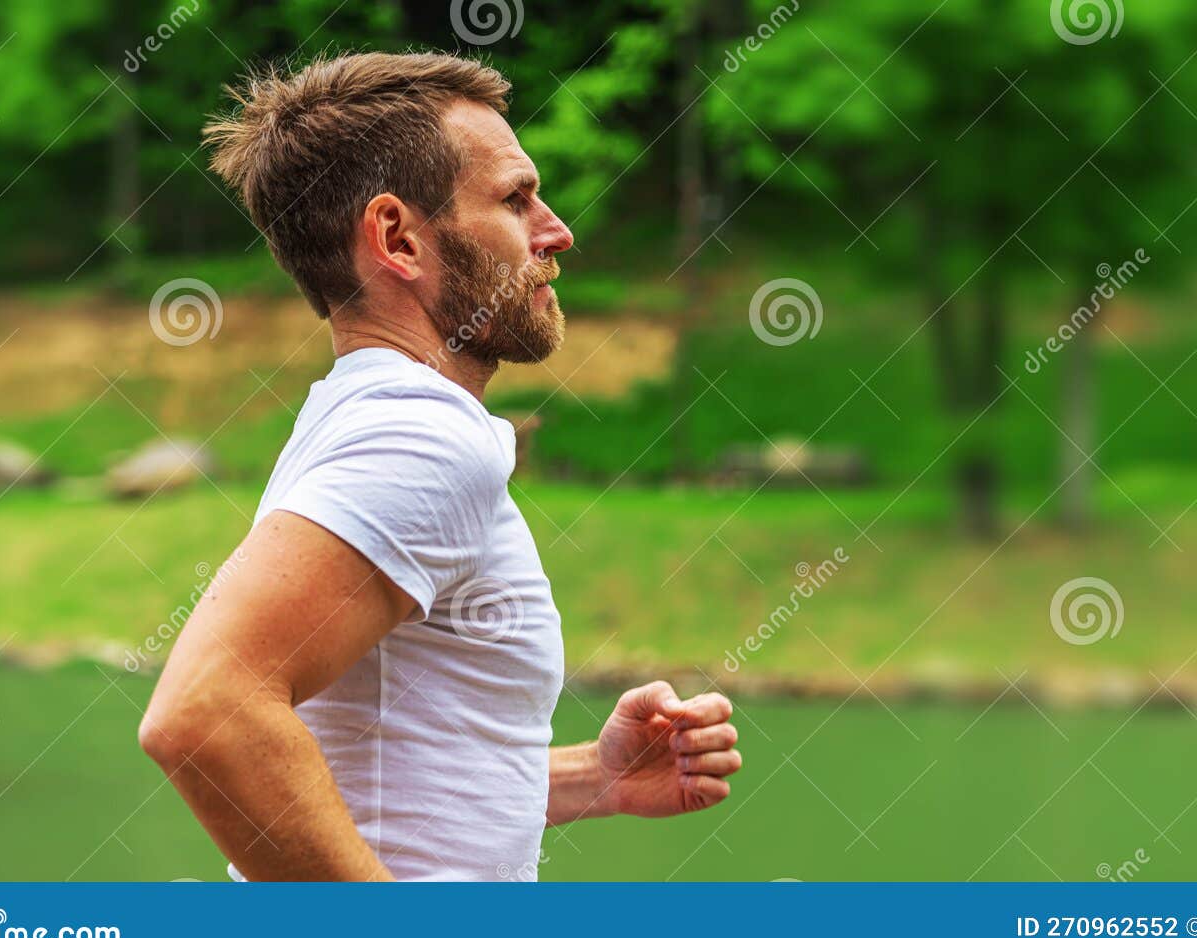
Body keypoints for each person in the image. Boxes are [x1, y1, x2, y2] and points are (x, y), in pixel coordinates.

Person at [137, 51, 743, 881]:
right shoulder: (419, 439)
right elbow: (206, 713)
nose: (555, 232)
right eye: (514, 199)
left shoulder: (361, 417)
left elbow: (372, 767)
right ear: (397, 238)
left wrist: (589, 779)